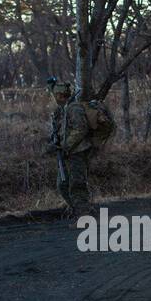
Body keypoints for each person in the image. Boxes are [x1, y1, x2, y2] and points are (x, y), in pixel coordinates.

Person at [44, 79, 96, 217]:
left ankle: (85, 216)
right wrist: (53, 143)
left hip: (77, 153)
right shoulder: (61, 110)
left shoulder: (74, 108)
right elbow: (61, 131)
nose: (55, 99)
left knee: (77, 185)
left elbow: (81, 129)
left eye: (56, 96)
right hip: (67, 153)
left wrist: (65, 145)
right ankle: (82, 211)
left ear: (60, 95)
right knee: (62, 185)